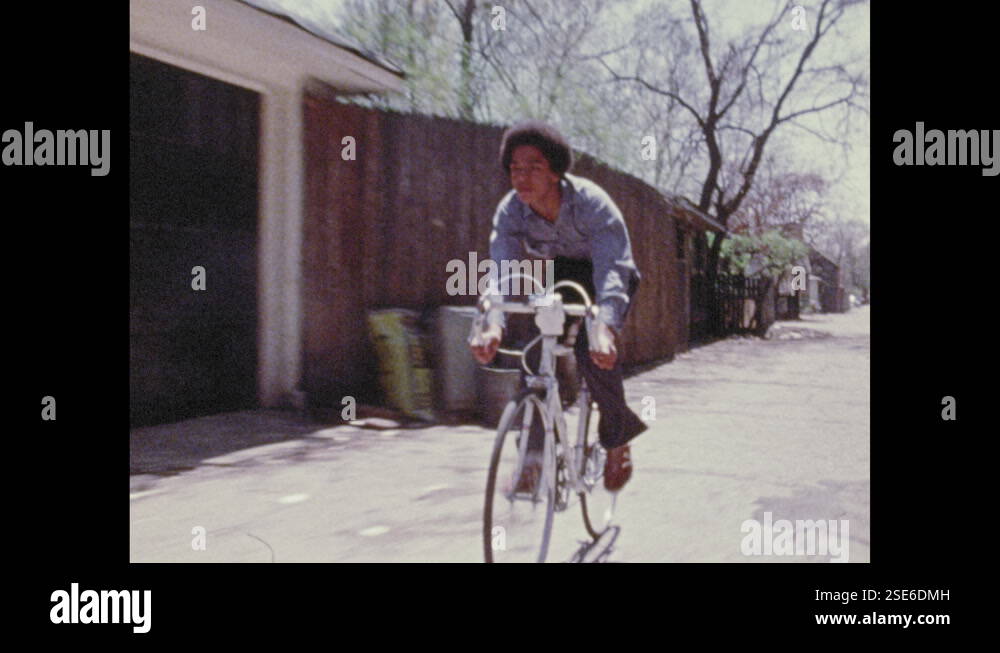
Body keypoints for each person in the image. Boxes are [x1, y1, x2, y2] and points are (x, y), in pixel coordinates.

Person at [469, 120, 647, 494]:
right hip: (563, 271)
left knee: (591, 351)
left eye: (533, 167)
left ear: (555, 171)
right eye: (515, 169)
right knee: (536, 351)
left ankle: (617, 438)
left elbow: (611, 270)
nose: (522, 177)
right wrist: (493, 323)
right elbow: (500, 270)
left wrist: (604, 326)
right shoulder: (511, 212)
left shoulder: (592, 204)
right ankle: (532, 460)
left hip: (610, 270)